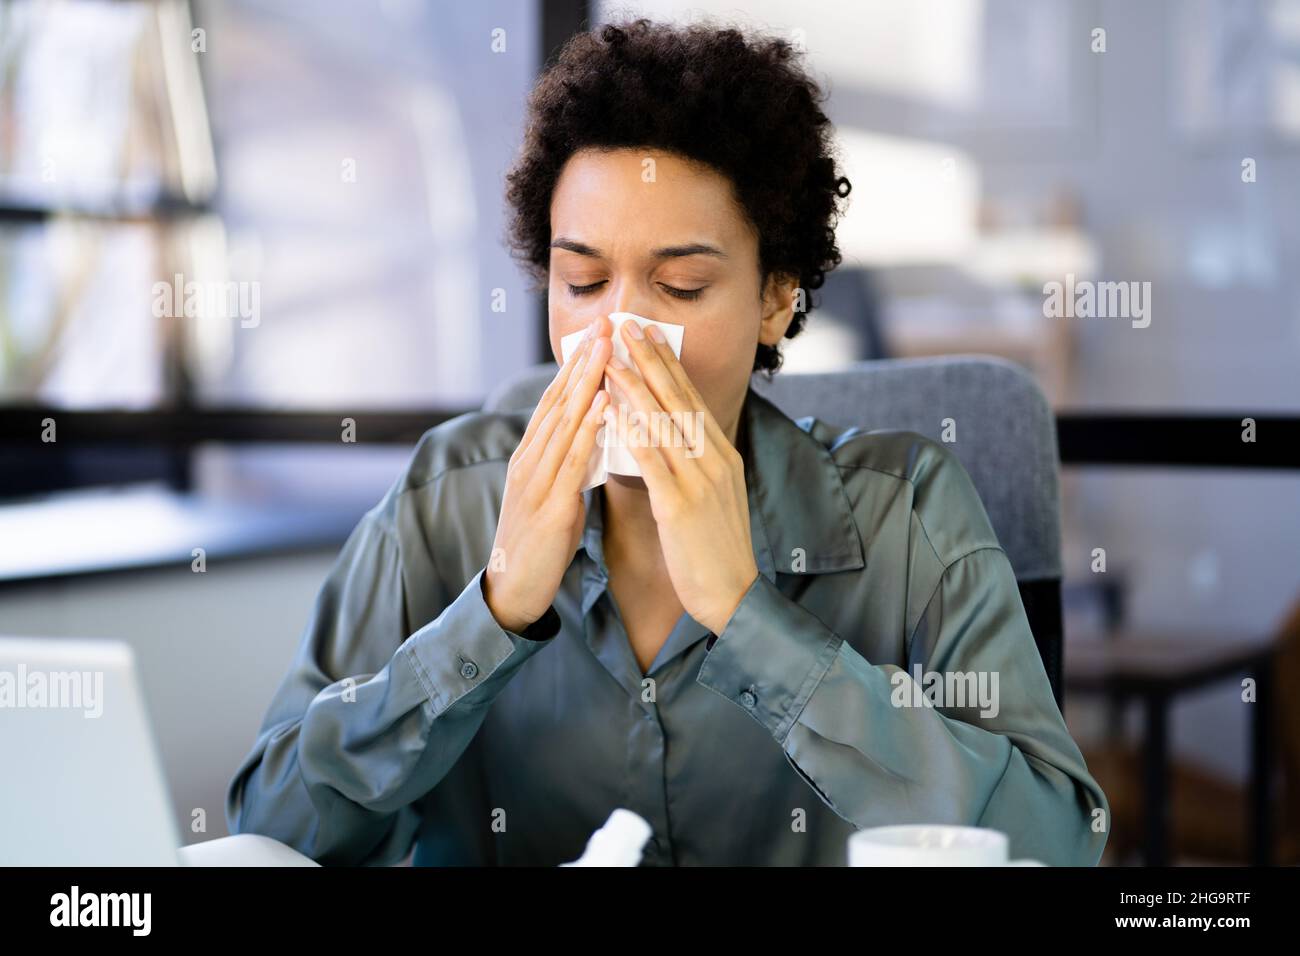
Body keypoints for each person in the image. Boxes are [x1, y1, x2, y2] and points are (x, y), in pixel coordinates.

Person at [227, 18, 1109, 866]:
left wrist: (750, 618)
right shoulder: (445, 500)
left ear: (775, 299)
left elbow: (1051, 847)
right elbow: (271, 833)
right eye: (582, 280)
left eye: (680, 286)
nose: (618, 335)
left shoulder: (905, 517)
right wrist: (491, 616)